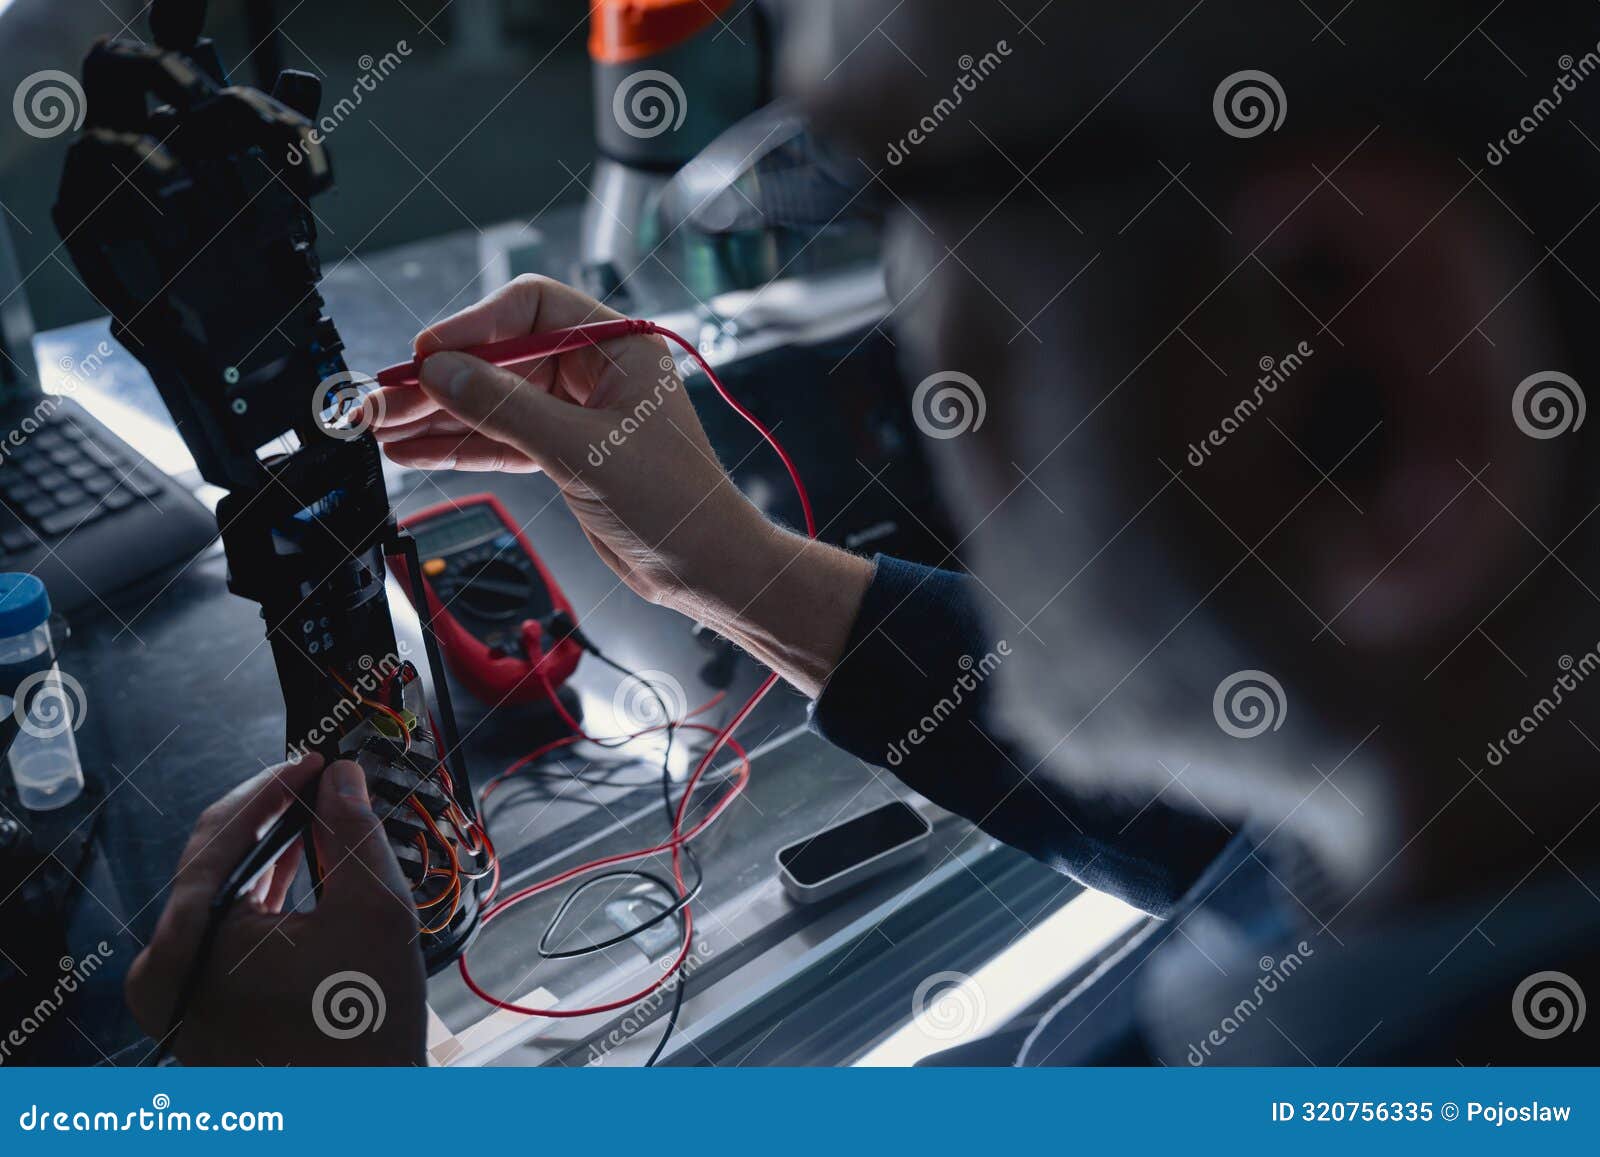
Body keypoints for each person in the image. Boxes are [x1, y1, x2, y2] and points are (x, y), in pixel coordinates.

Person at [127, 0, 1600, 1065]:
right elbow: (1249, 833)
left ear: (1364, 373)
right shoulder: (1471, 826)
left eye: (884, 193)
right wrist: (729, 563)